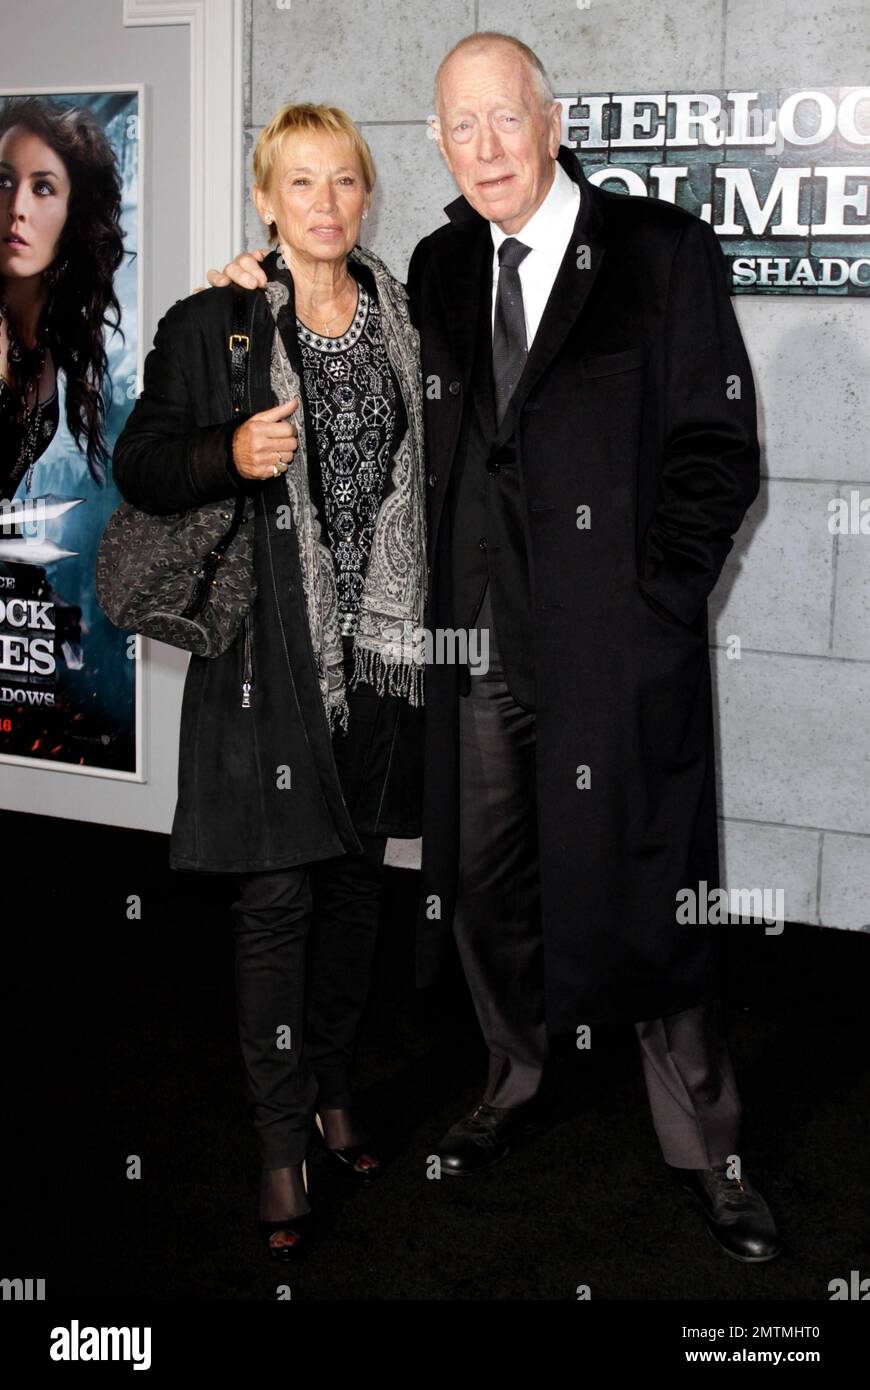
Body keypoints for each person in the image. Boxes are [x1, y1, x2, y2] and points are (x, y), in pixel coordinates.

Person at [209, 34, 780, 1266]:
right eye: (458, 128)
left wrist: (659, 606)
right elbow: (346, 353)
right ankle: (512, 1082)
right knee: (485, 893)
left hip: (617, 659)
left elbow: (716, 451)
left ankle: (707, 1148)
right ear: (439, 145)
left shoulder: (659, 253)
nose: (484, 148)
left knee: (653, 893)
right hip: (475, 657)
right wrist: (247, 299)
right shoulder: (436, 260)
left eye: (502, 119)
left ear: (550, 117)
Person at [114, 102, 426, 1260]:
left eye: (344, 180)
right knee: (276, 901)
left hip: (383, 654)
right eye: (302, 183)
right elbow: (140, 463)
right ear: (266, 199)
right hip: (267, 658)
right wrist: (224, 454)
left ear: (365, 193)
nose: (327, 203)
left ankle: (337, 1087)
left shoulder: (405, 313)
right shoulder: (219, 323)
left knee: (356, 889)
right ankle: (278, 1138)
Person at [0, 95, 123, 494]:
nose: (17, 206)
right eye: (3, 181)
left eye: (42, 188)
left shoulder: (54, 338)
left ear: (75, 216)